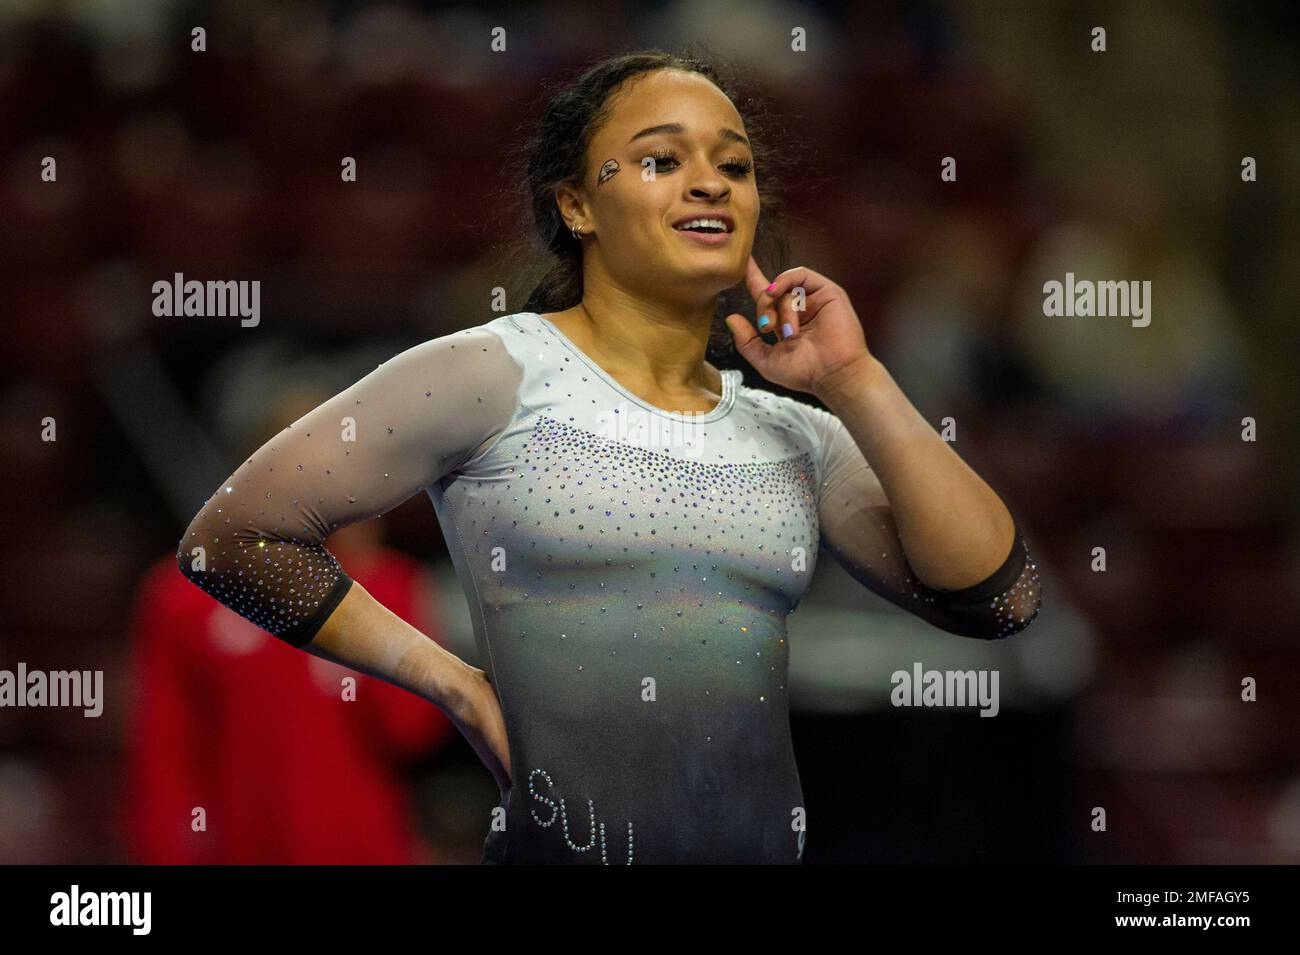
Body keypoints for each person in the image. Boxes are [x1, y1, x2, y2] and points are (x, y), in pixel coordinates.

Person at [175, 50, 1041, 864]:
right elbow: (233, 537)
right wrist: (453, 683)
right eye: (663, 159)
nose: (711, 181)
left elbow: (1000, 596)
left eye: (733, 166)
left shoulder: (796, 431)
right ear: (576, 205)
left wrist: (855, 380)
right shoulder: (497, 371)